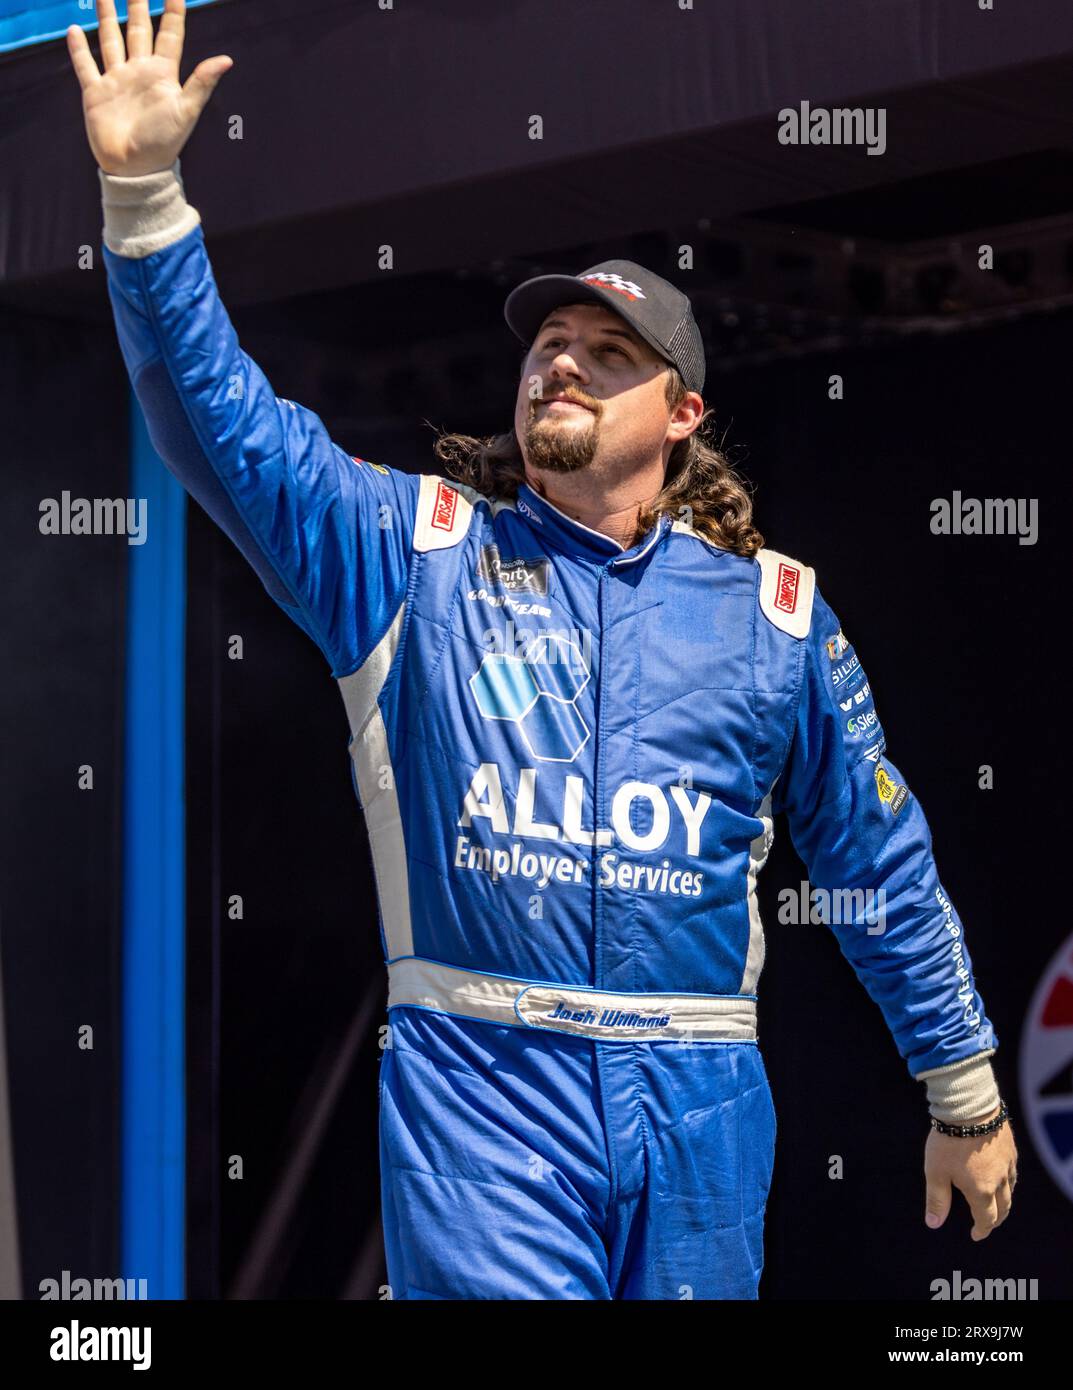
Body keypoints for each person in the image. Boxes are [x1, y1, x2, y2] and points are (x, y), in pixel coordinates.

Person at [68, 0, 1017, 1300]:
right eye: (546, 347)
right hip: (482, 1095)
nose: (557, 365)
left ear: (680, 414)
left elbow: (876, 862)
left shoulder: (775, 618)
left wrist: (961, 1087)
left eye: (603, 355)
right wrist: (143, 199)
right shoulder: (411, 551)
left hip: (699, 1111)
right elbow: (219, 427)